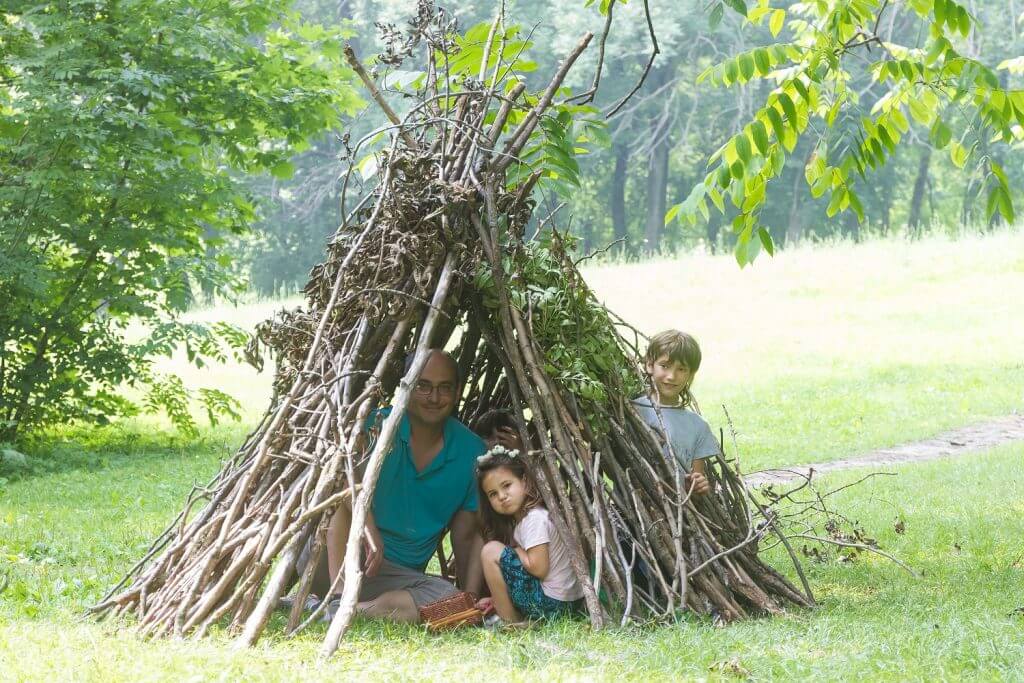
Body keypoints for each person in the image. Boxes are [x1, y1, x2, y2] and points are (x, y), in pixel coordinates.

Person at [296, 349, 487, 623]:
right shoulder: (376, 426)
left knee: (447, 599)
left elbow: (467, 535)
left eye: (444, 388)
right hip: (334, 560)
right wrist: (367, 523)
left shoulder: (470, 451)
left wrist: (466, 599)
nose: (434, 398)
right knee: (340, 484)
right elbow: (340, 477)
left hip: (396, 578)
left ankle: (343, 610)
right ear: (406, 387)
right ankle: (337, 599)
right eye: (423, 386)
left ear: (457, 392)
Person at [475, 446, 584, 625]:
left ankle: (511, 623)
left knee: (490, 551)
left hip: (554, 604)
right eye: (493, 494)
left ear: (524, 481)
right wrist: (497, 597)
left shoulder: (534, 519)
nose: (502, 496)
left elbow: (538, 568)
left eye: (507, 485)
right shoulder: (529, 518)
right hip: (565, 603)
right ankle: (507, 611)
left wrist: (516, 550)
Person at [632, 329, 718, 496]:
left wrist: (697, 485)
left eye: (681, 369)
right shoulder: (633, 410)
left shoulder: (698, 426)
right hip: (634, 508)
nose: (671, 376)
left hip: (676, 511)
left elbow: (696, 479)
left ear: (690, 376)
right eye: (665, 366)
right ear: (650, 365)